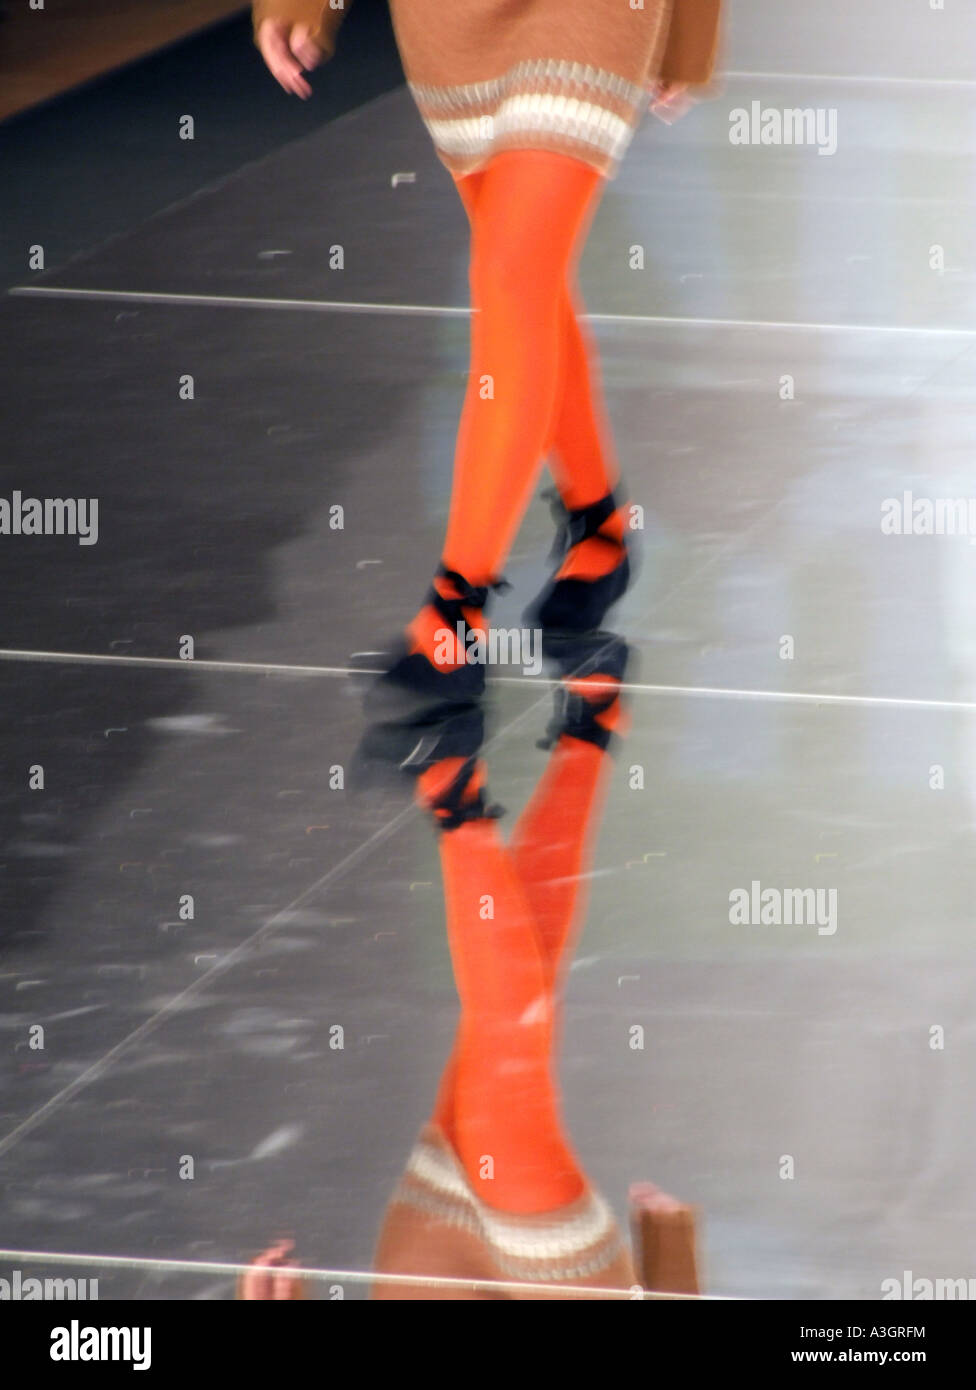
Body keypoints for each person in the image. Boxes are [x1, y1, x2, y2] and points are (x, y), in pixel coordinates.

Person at [252, 0, 724, 705]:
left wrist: (688, 26)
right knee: (526, 285)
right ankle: (599, 526)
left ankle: (454, 616)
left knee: (511, 275)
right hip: (448, 24)